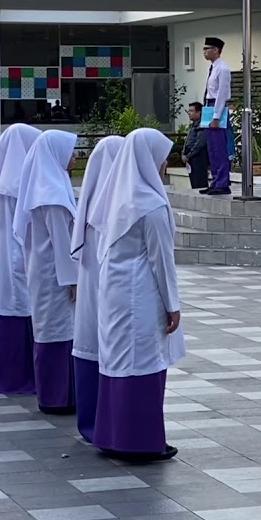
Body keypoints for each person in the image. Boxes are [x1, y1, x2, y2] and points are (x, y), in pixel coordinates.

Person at [93, 128, 184, 462]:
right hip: (141, 293)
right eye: (161, 159)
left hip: (113, 291)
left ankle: (111, 434)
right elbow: (162, 261)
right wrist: (173, 305)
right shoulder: (151, 205)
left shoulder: (117, 197)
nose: (163, 166)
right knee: (144, 362)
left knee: (117, 361)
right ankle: (141, 440)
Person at [14, 130, 79, 416]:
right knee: (55, 329)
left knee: (55, 328)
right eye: (71, 150)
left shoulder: (53, 183)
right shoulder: (51, 194)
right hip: (53, 273)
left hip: (47, 270)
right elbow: (61, 243)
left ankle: (60, 393)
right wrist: (73, 279)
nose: (75, 156)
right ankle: (55, 395)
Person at [0, 123, 42, 395]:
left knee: (9, 303)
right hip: (18, 257)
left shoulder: (6, 180)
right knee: (19, 307)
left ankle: (9, 375)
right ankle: (21, 377)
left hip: (8, 256)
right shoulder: (18, 183)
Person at [70, 136, 123, 445]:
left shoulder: (91, 201)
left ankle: (91, 421)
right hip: (105, 289)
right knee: (101, 345)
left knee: (90, 341)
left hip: (90, 286)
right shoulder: (117, 205)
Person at [201, 37, 232, 196]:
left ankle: (222, 182)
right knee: (212, 148)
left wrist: (216, 116)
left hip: (217, 107)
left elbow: (222, 94)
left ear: (215, 50)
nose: (204, 52)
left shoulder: (223, 69)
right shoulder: (214, 68)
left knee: (219, 148)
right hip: (209, 106)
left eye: (207, 48)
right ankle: (215, 180)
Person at [182, 103, 209, 190]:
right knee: (193, 182)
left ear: (199, 112)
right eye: (189, 111)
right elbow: (188, 141)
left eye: (192, 111)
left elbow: (200, 143)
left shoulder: (201, 125)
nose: (189, 113)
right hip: (191, 158)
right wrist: (183, 153)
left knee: (199, 183)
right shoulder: (193, 125)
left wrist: (189, 155)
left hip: (198, 158)